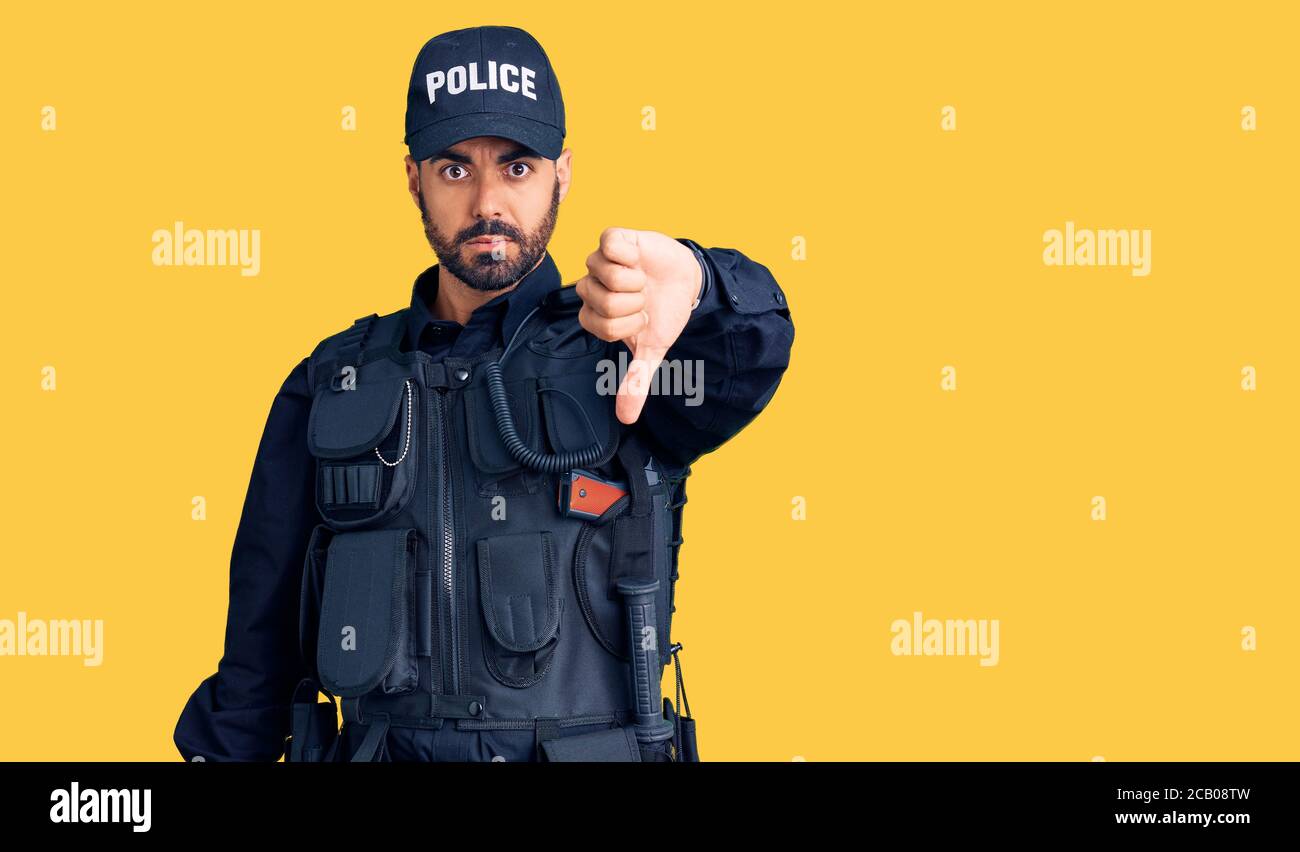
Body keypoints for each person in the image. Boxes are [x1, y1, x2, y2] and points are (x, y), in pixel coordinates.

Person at [174, 24, 794, 762]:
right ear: (414, 178)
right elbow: (260, 640)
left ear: (563, 171)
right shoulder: (334, 380)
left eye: (518, 167)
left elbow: (753, 350)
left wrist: (701, 283)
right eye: (456, 169)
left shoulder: (631, 348)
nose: (489, 204)